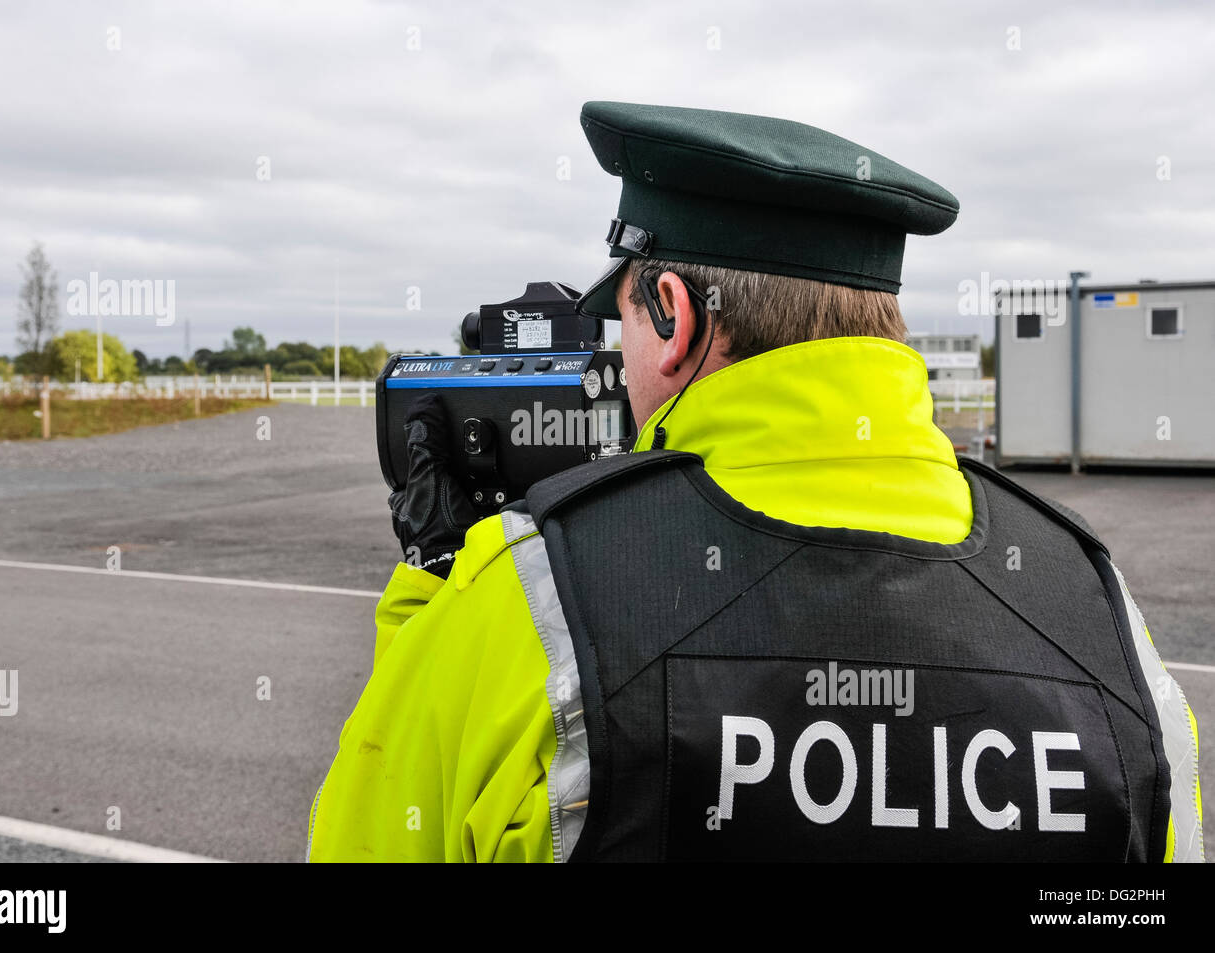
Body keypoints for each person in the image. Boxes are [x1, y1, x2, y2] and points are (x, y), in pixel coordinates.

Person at [307, 101, 1202, 862]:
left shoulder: (532, 602)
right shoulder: (1099, 614)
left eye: (624, 322)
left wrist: (438, 579)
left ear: (674, 316)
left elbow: (376, 825)